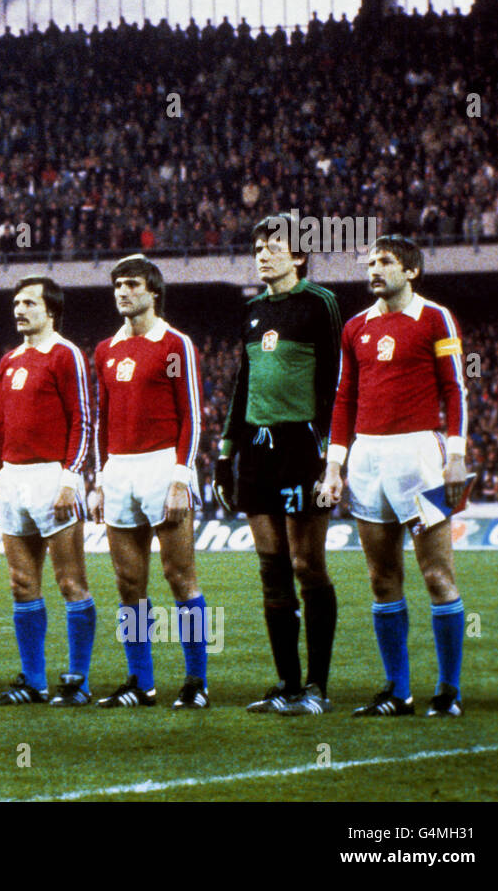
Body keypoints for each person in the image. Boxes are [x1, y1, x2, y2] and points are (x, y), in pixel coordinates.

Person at [320, 236, 469, 718]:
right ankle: (398, 691)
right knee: (382, 578)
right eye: (370, 262)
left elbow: (456, 389)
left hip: (420, 457)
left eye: (385, 262)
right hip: (368, 459)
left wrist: (457, 456)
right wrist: (335, 465)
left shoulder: (435, 318)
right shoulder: (355, 327)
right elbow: (344, 397)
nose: (374, 269)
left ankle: (448, 690)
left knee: (436, 574)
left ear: (412, 271)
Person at [214, 216, 342, 716]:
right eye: (259, 247)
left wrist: (331, 454)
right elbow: (242, 385)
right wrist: (226, 454)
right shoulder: (250, 310)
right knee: (271, 570)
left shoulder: (320, 303)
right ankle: (287, 685)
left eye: (274, 247)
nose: (263, 254)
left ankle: (317, 687)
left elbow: (335, 381)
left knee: (307, 564)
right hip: (257, 449)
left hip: (301, 444)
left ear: (300, 257)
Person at [90, 255, 211, 709]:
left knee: (180, 578)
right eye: (118, 284)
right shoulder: (106, 350)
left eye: (132, 284)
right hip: (119, 469)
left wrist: (182, 476)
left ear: (152, 292)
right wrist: (100, 479)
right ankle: (140, 682)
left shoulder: (174, 345)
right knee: (128, 582)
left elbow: (191, 417)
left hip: (163, 466)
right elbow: (103, 420)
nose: (123, 291)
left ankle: (196, 681)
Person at [0, 276, 97, 707]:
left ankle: (78, 681)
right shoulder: (10, 360)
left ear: (50, 311)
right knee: (21, 582)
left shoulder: (66, 355)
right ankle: (33, 681)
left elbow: (84, 420)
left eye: (29, 303)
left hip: (52, 477)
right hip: (12, 477)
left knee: (70, 581)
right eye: (15, 302)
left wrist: (71, 477)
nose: (19, 309)